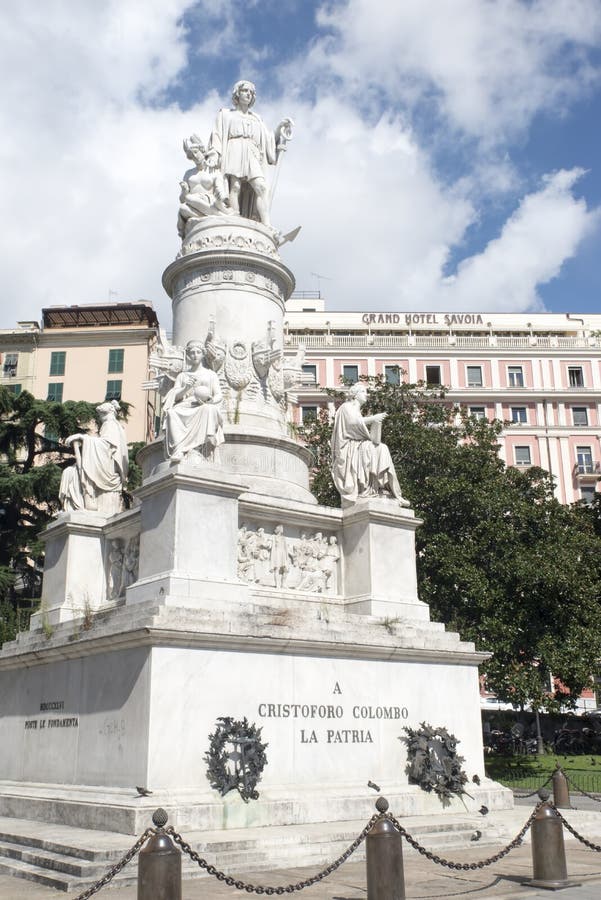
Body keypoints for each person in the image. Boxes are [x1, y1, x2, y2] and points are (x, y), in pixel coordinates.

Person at [206, 80, 292, 228]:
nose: (248, 94)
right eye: (245, 91)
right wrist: (215, 153)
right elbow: (217, 135)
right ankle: (235, 218)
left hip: (252, 153)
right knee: (235, 187)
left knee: (261, 187)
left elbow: (268, 140)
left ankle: (266, 225)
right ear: (237, 93)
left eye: (251, 92)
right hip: (234, 148)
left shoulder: (257, 119)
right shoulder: (226, 114)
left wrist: (279, 129)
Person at [330, 383, 408, 505]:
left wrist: (377, 424)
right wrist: (373, 418)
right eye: (363, 391)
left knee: (382, 448)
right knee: (375, 448)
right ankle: (370, 488)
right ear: (355, 395)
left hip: (359, 445)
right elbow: (352, 423)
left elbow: (374, 440)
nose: (366, 394)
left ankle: (384, 489)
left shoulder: (357, 411)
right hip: (349, 447)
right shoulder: (346, 407)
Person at [59, 400, 129, 515]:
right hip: (105, 464)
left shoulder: (111, 424)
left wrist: (83, 438)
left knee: (72, 472)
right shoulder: (112, 425)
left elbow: (106, 445)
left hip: (108, 468)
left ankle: (85, 501)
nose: (100, 419)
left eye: (101, 415)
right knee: (70, 472)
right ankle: (79, 503)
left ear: (107, 414)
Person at [163, 340, 224, 462]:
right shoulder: (182, 376)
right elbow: (174, 396)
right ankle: (179, 449)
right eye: (192, 353)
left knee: (208, 409)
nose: (195, 355)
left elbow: (219, 395)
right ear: (188, 355)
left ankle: (198, 448)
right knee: (172, 413)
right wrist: (185, 388)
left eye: (198, 352)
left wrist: (210, 401)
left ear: (203, 354)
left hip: (204, 404)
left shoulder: (210, 374)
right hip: (186, 404)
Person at [177, 134, 232, 237]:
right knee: (183, 209)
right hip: (192, 205)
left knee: (189, 199)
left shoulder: (214, 172)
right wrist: (184, 191)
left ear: (202, 151)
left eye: (196, 153)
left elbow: (220, 190)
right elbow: (182, 199)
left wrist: (223, 198)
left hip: (209, 202)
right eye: (192, 156)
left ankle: (216, 215)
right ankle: (215, 216)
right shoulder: (188, 173)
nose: (195, 157)